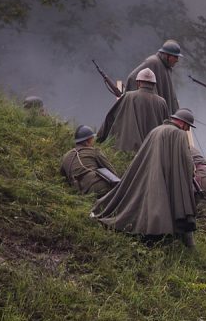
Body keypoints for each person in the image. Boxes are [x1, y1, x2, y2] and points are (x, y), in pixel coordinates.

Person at [91, 109, 197, 247]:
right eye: (188, 126)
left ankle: (142, 232)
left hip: (148, 173)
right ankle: (160, 236)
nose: (188, 129)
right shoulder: (179, 134)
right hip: (167, 175)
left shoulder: (156, 130)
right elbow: (186, 160)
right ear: (182, 123)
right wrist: (191, 173)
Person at [98, 68, 170, 152]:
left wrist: (98, 139)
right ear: (154, 84)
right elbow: (166, 128)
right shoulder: (162, 102)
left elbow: (110, 118)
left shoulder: (128, 96)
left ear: (138, 82)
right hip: (153, 152)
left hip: (130, 153)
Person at [60, 125, 119, 197]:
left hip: (80, 192)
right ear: (88, 141)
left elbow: (63, 178)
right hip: (98, 186)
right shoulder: (94, 151)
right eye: (92, 138)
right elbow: (113, 174)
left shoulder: (66, 156)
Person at [125, 39, 182, 114]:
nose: (177, 60)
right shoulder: (153, 62)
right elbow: (132, 78)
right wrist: (149, 98)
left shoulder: (166, 67)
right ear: (167, 55)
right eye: (175, 57)